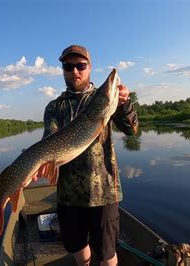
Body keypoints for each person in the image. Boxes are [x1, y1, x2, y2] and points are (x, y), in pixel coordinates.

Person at [42, 45, 138, 266]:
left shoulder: (101, 100)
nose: (75, 71)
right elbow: (50, 140)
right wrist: (42, 164)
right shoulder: (54, 107)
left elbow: (132, 130)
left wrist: (124, 105)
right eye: (68, 66)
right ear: (63, 70)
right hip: (68, 195)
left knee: (106, 254)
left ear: (89, 68)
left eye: (80, 65)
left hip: (103, 193)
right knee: (78, 249)